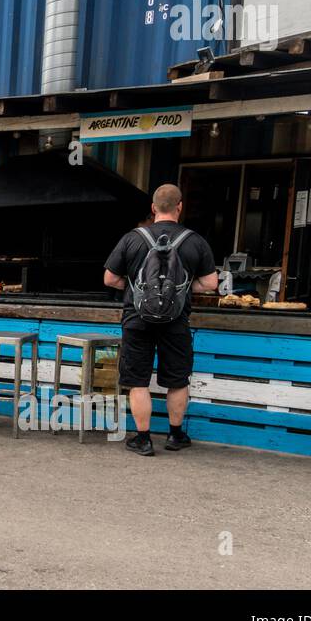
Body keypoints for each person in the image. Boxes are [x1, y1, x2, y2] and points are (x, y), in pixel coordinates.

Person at [103, 184, 218, 457]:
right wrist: (180, 290)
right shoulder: (195, 241)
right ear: (179, 207)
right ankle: (175, 435)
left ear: (154, 208)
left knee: (138, 381)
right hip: (176, 320)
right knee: (177, 379)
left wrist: (137, 290)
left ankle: (143, 439)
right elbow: (211, 283)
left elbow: (110, 278)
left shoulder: (132, 238)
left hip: (136, 318)